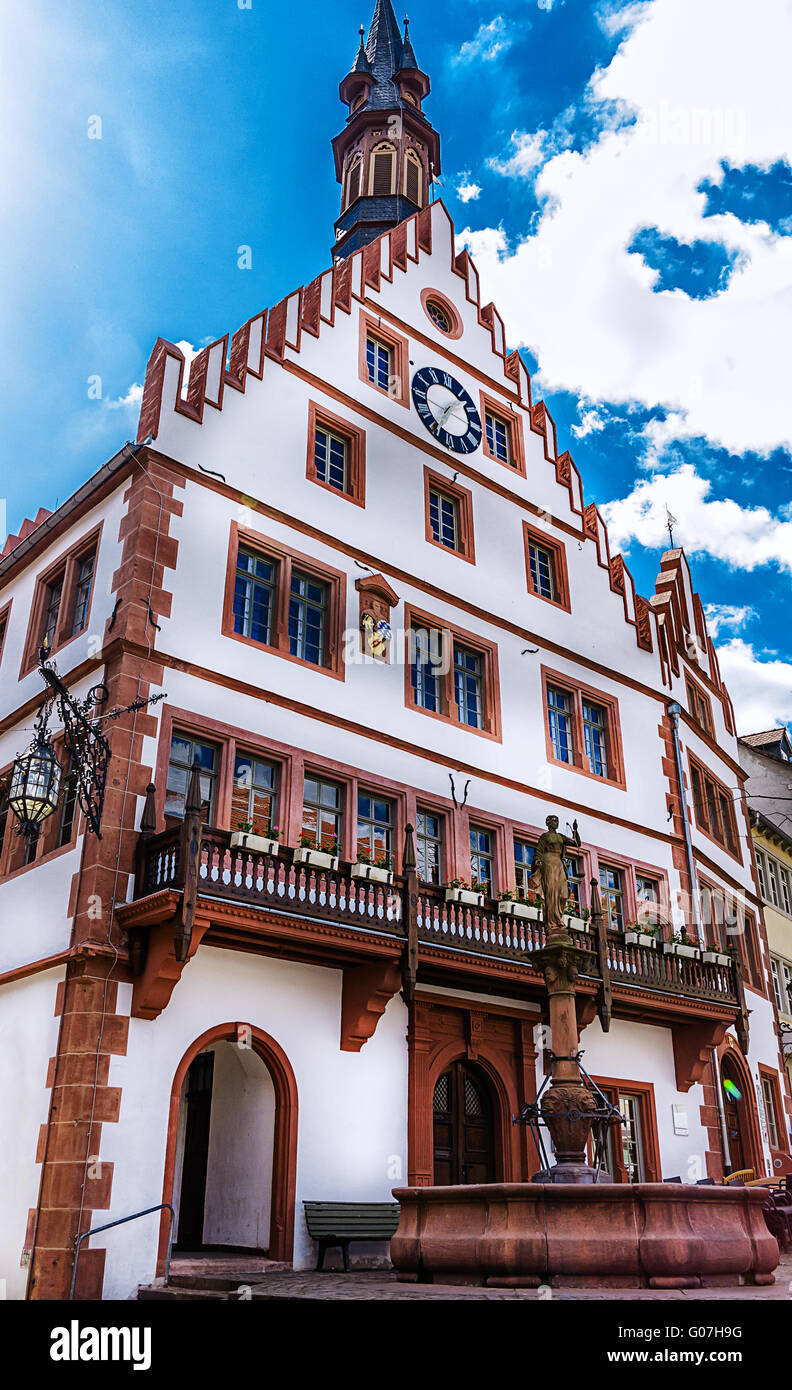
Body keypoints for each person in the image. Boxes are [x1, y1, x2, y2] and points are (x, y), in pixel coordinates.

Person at [529, 814, 581, 940]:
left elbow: (577, 843)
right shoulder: (545, 836)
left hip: (559, 864)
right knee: (551, 893)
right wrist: (537, 860)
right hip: (549, 863)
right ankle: (552, 922)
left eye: (557, 820)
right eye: (553, 820)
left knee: (563, 894)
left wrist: (575, 830)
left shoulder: (560, 837)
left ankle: (558, 917)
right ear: (548, 823)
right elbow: (538, 851)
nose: (556, 822)